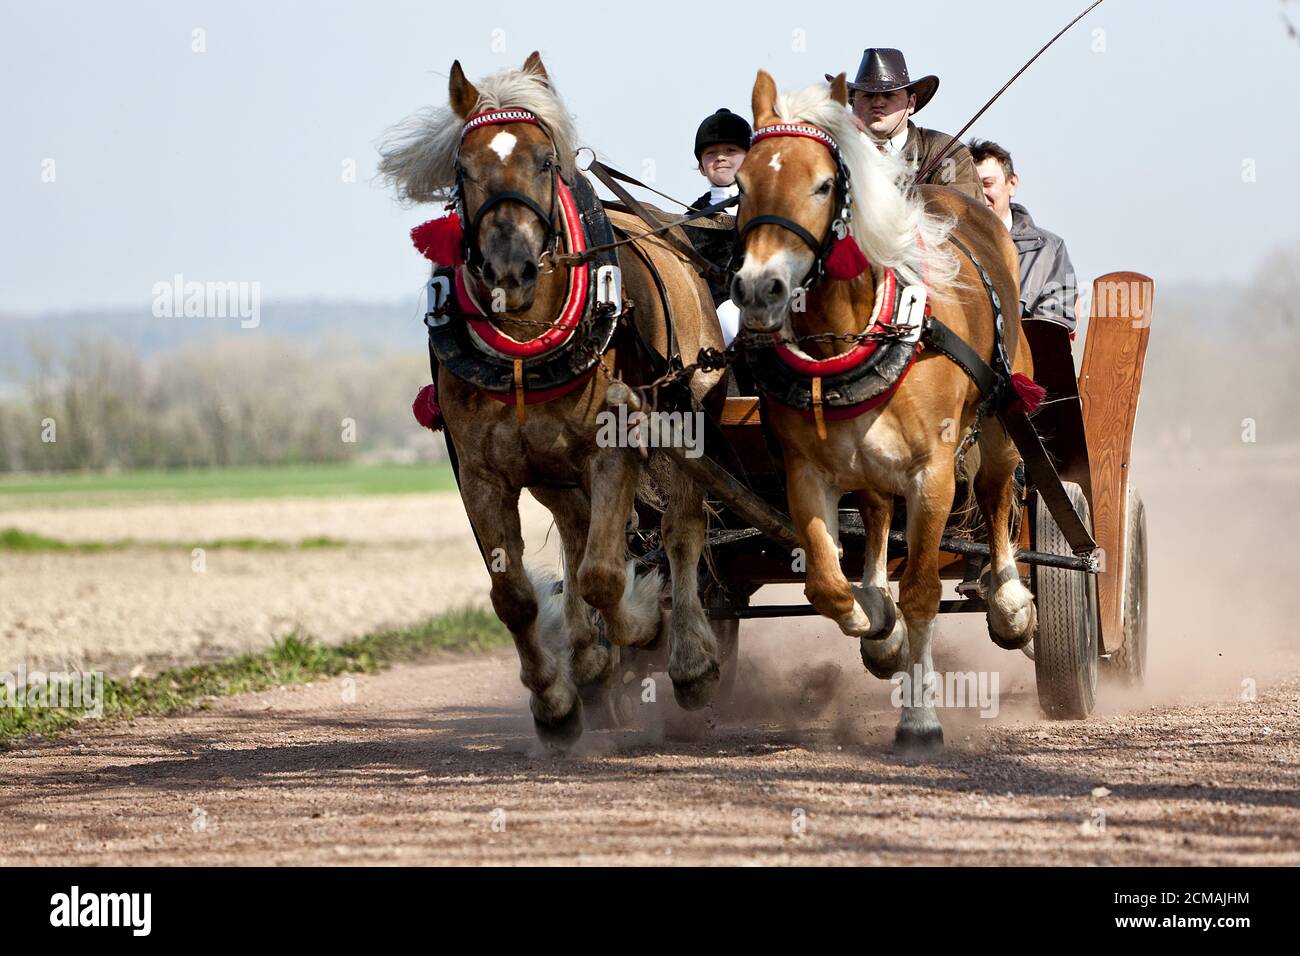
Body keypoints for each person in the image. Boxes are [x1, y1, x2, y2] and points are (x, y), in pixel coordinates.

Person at [828, 48, 982, 202]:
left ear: (912, 102)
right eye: (868, 95)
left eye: (889, 94)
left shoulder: (948, 154)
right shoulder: (831, 152)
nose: (878, 103)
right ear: (853, 103)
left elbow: (962, 219)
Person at [968, 138, 1078, 331]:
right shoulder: (949, 247)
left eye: (987, 184)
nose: (980, 193)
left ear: (1012, 184)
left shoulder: (1049, 250)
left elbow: (1052, 329)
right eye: (973, 186)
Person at [687, 108, 751, 346]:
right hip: (714, 311)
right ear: (702, 167)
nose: (721, 157)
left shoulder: (768, 209)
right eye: (711, 153)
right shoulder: (689, 220)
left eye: (731, 151)